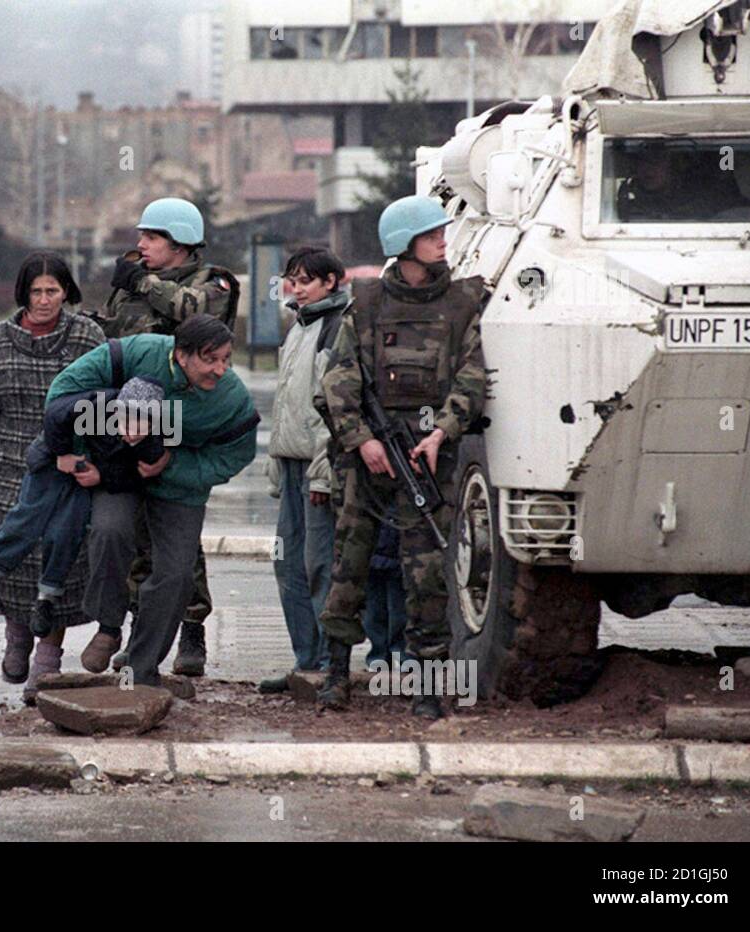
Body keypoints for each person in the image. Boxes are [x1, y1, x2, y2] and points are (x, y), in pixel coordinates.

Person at [316, 195, 487, 719]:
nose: (443, 240)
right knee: (348, 564)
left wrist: (443, 433)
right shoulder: (364, 303)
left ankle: (427, 686)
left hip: (427, 457)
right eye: (431, 234)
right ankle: (336, 675)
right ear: (403, 245)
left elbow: (473, 376)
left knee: (429, 571)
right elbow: (337, 382)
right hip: (366, 454)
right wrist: (362, 440)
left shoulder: (461, 304)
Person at [47, 314, 259, 687]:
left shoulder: (231, 399)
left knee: (176, 573)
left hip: (179, 486)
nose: (220, 369)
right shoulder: (134, 354)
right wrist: (86, 451)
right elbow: (62, 395)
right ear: (180, 355)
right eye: (210, 359)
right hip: (116, 471)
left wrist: (172, 463)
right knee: (109, 531)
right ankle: (108, 625)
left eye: (226, 358)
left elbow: (236, 455)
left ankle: (141, 668)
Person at [0, 252, 105, 702]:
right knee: (13, 560)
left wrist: (92, 461)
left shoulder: (88, 338)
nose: (45, 299)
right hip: (10, 470)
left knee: (63, 563)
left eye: (53, 290)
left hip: (69, 470)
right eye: (37, 291)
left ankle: (47, 665)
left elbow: (103, 408)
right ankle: (16, 639)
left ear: (67, 292)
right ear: (23, 294)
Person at [99, 197, 240, 678]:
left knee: (179, 530)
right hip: (132, 417)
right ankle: (143, 633)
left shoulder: (213, 283)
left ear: (179, 244)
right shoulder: (131, 285)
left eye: (152, 237)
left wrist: (141, 281)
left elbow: (192, 313)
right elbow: (114, 339)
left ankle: (191, 628)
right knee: (138, 530)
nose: (140, 245)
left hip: (186, 416)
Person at [0, 377, 167, 638]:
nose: (130, 432)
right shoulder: (96, 406)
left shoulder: (155, 442)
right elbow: (54, 416)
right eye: (124, 422)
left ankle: (46, 599)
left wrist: (103, 476)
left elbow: (138, 475)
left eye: (140, 427)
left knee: (65, 532)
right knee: (27, 519)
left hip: (87, 476)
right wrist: (62, 453)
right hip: (53, 460)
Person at [259, 245, 351, 694]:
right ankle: (305, 661)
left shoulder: (337, 327)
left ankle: (333, 669)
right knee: (287, 566)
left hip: (319, 472)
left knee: (320, 567)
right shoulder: (299, 326)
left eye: (305, 280)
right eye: (292, 279)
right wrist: (279, 466)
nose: (295, 288)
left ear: (330, 282)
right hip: (292, 467)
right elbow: (286, 404)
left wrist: (320, 474)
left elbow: (331, 410)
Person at [361, 514, 410, 672]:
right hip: (373, 554)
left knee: (398, 612)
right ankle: (381, 657)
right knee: (375, 613)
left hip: (395, 553)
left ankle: (399, 657)